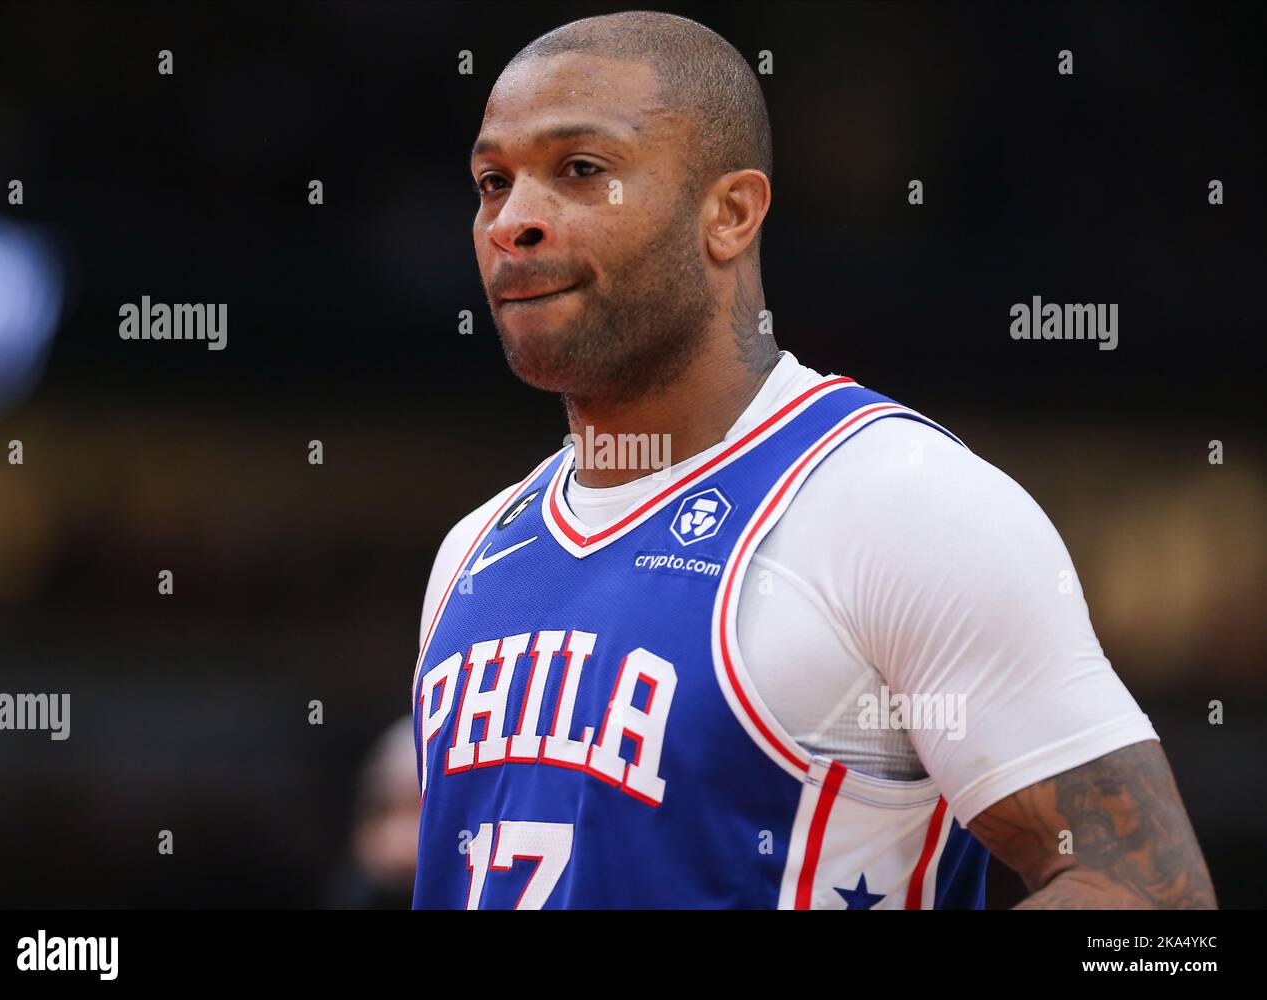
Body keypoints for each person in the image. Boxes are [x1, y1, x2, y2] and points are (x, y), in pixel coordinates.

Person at [411, 11, 1215, 909]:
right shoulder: (474, 551)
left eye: (581, 171)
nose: (512, 221)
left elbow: (1154, 902)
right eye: (492, 182)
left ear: (731, 213)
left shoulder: (896, 503)